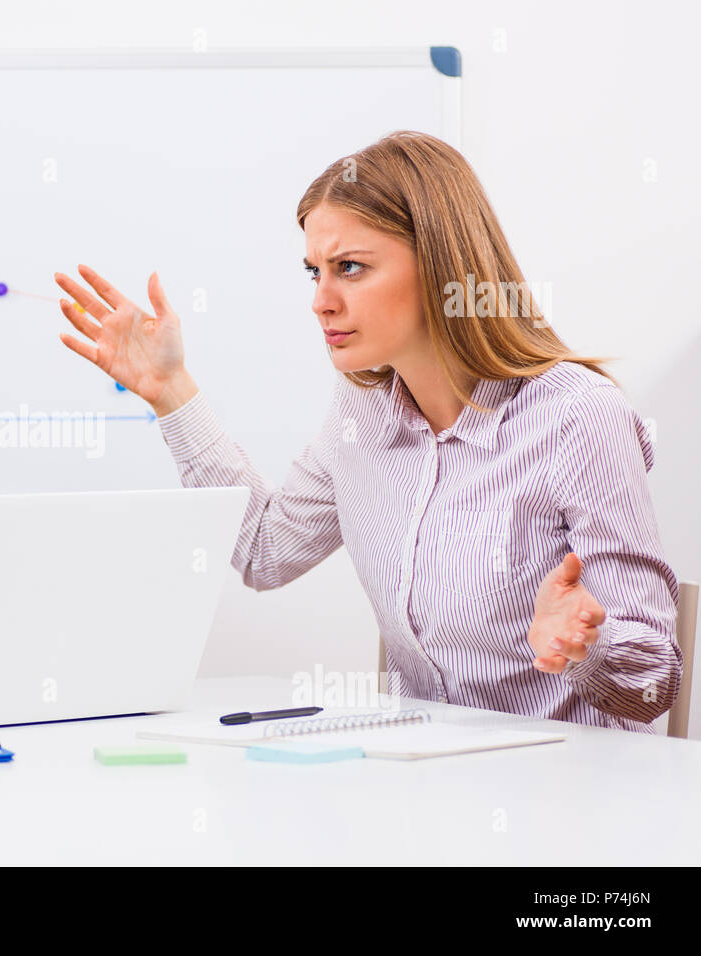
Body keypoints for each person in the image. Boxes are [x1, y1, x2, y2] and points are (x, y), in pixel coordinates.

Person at [54, 130, 680, 732]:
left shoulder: (575, 415)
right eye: (314, 272)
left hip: (567, 806)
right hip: (428, 793)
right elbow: (265, 552)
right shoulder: (363, 413)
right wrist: (171, 393)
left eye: (350, 267)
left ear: (442, 268)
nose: (321, 300)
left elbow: (654, 682)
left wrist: (586, 643)